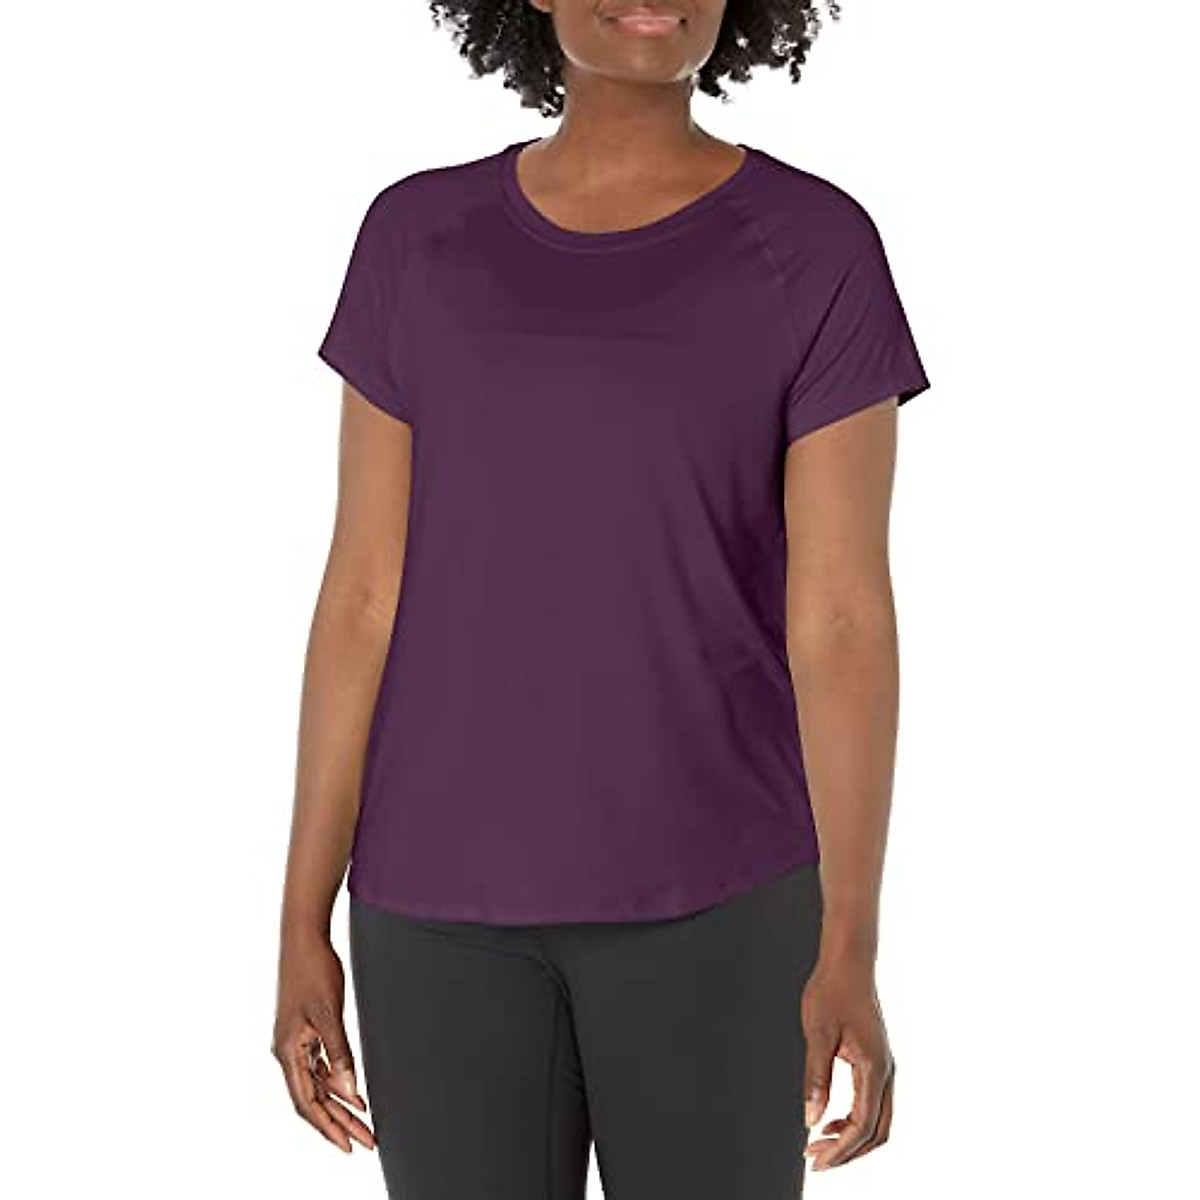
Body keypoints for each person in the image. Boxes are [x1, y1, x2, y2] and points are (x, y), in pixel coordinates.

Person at [272, 2, 931, 1197]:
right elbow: (363, 594)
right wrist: (298, 919)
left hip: (720, 904)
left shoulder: (814, 246)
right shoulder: (415, 238)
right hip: (435, 912)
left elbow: (841, 619)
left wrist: (850, 940)